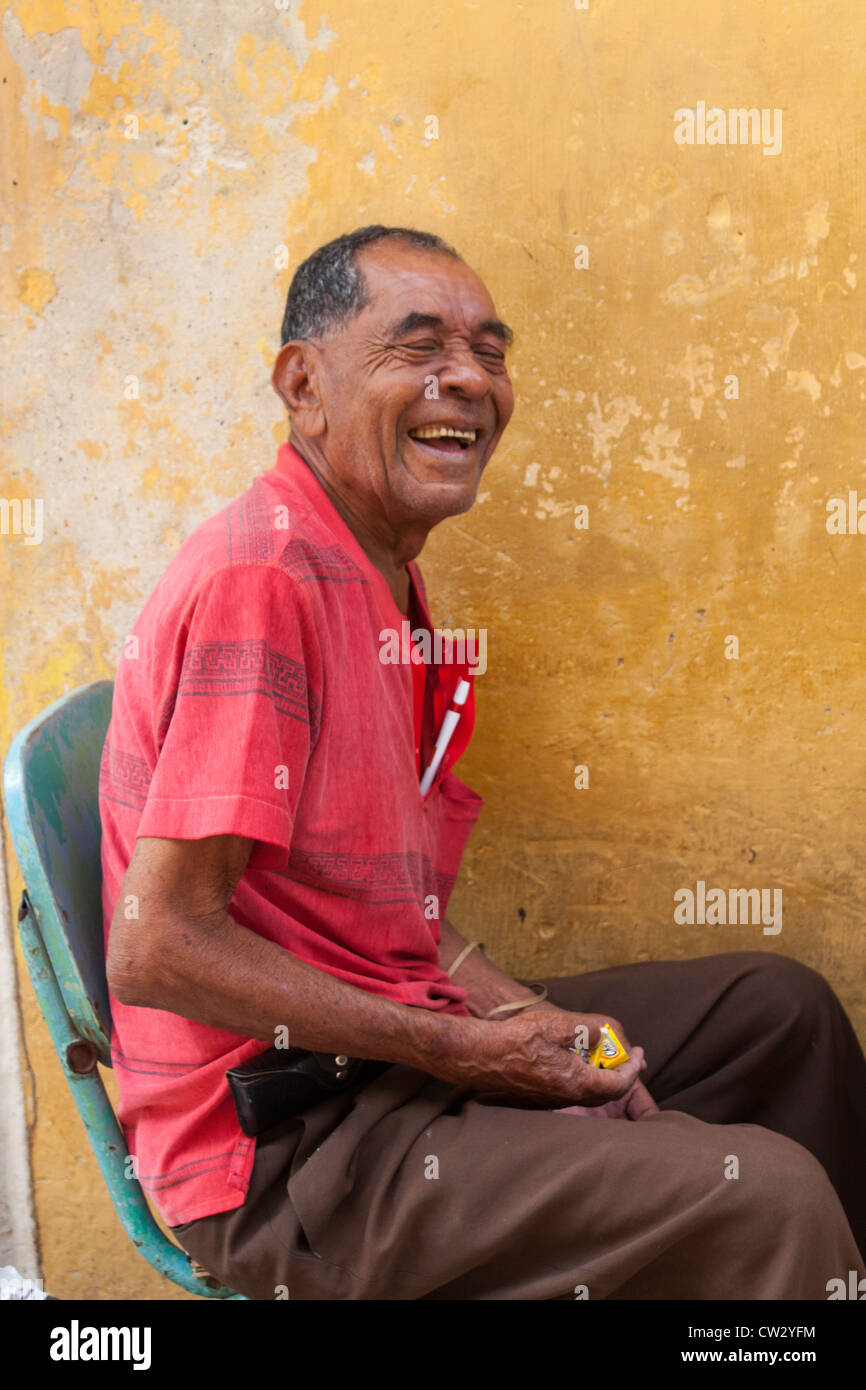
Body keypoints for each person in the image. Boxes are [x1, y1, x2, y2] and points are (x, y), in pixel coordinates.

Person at [101, 225, 866, 1300]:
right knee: (766, 1195)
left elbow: (385, 912)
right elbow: (158, 948)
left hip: (392, 1054)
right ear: (302, 385)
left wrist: (508, 1013)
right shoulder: (267, 579)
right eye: (418, 348)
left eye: (489, 352)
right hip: (289, 1150)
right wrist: (465, 1055)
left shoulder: (377, 571)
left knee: (778, 1015)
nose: (466, 379)